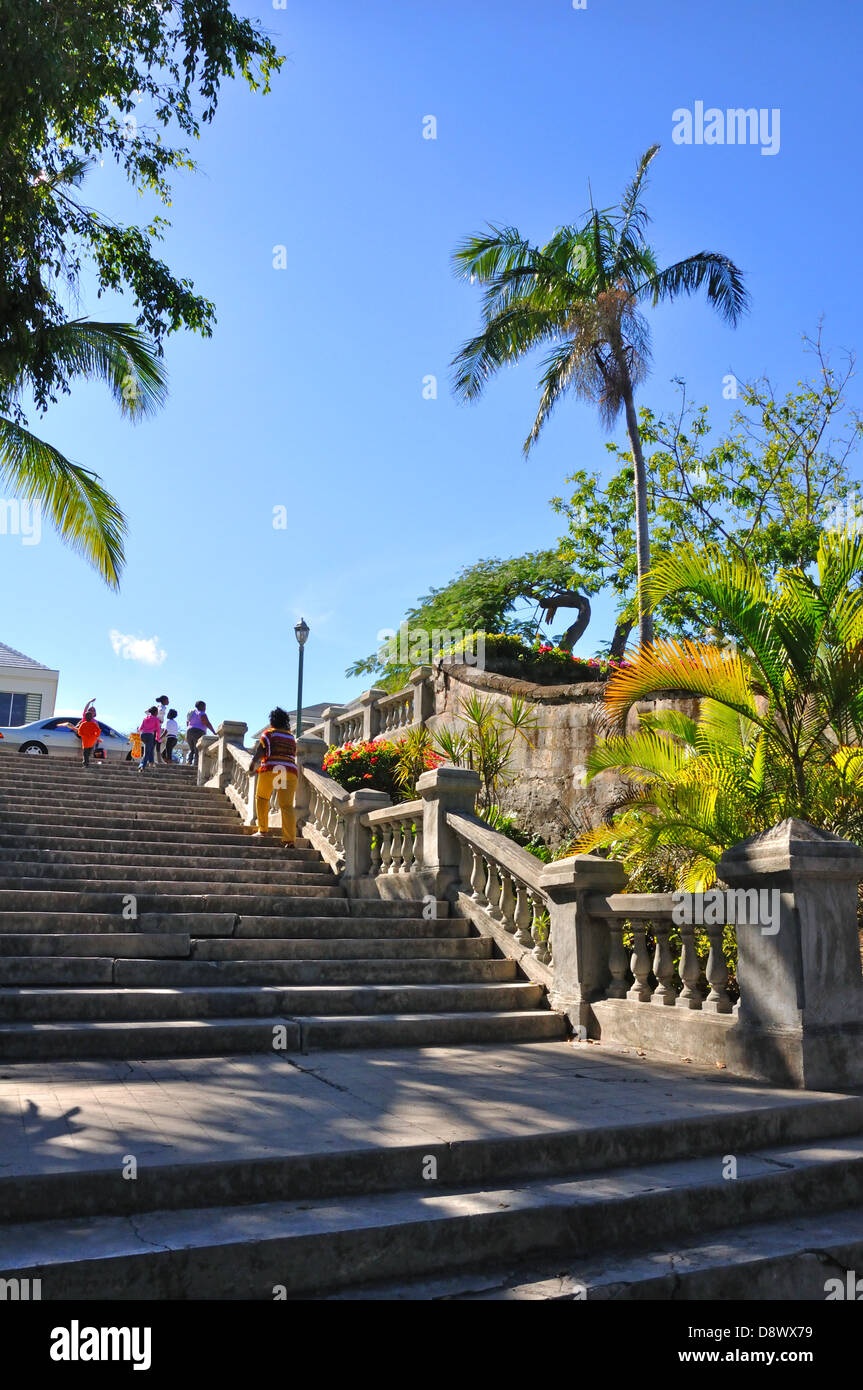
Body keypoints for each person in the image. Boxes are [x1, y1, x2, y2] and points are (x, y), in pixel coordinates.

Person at [247, 707, 298, 848]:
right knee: (287, 806)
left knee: (262, 798)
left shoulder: (269, 734)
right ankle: (289, 839)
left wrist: (252, 764)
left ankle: (262, 830)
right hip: (289, 771)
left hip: (272, 769)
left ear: (272, 721)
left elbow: (261, 751)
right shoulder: (291, 737)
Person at [186, 701, 216, 766]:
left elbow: (187, 722)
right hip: (198, 732)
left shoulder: (192, 713)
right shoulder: (202, 714)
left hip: (189, 731)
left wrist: (189, 729)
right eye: (205, 706)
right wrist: (214, 732)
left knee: (192, 748)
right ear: (201, 706)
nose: (205, 708)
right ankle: (196, 765)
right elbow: (207, 723)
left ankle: (189, 761)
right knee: (198, 749)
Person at [138, 706, 161, 772]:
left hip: (143, 735)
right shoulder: (156, 719)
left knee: (150, 748)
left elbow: (140, 728)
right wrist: (157, 737)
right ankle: (142, 766)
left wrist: (139, 732)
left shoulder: (145, 718)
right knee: (147, 752)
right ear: (156, 712)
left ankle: (151, 763)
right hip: (149, 736)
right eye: (157, 712)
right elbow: (158, 730)